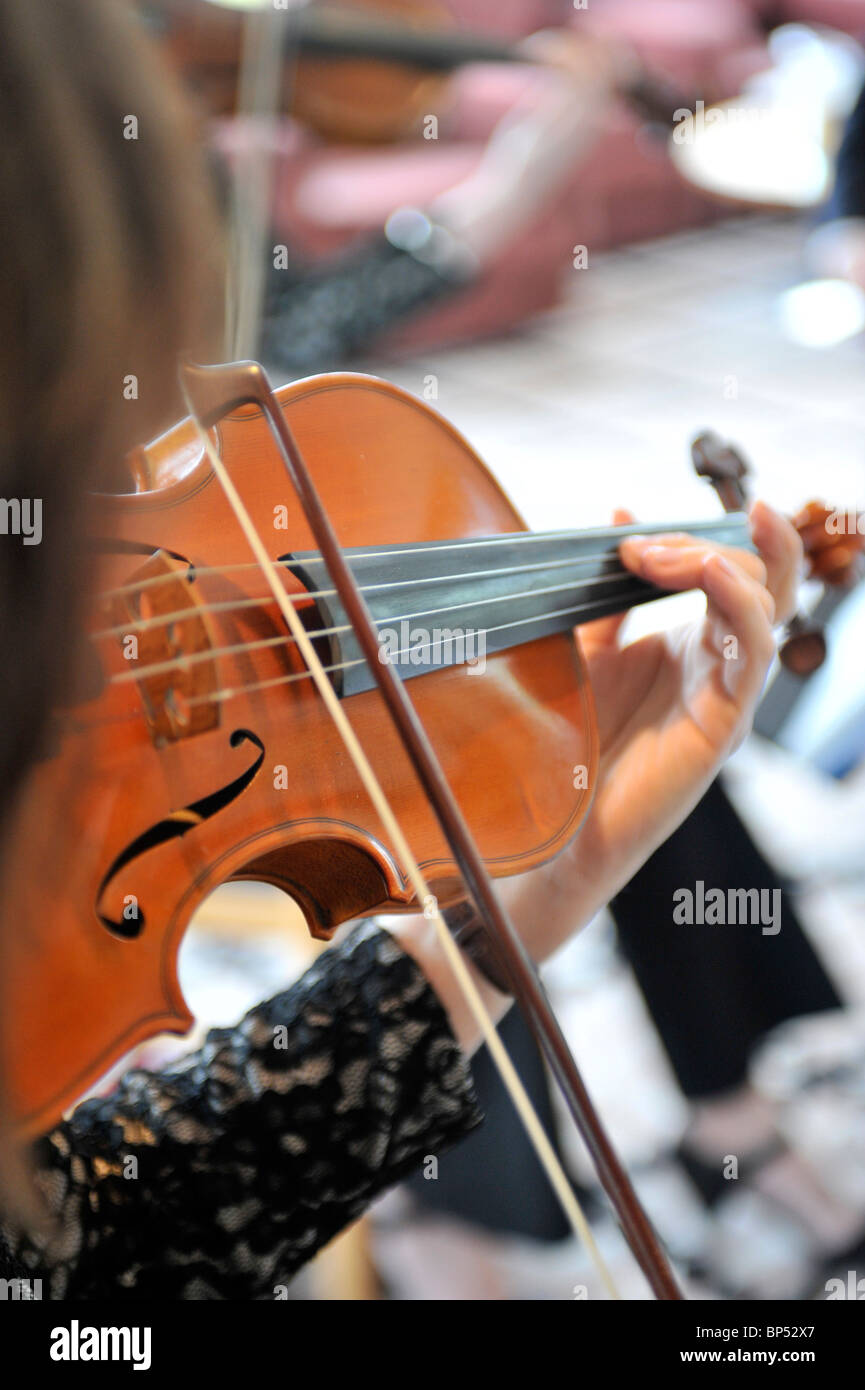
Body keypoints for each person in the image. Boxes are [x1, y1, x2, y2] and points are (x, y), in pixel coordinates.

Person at [0, 0, 801, 1300]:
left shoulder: (155, 155)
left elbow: (80, 1256)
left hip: (280, 577)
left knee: (542, 714)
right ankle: (485, 1224)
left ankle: (724, 1118)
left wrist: (514, 922)